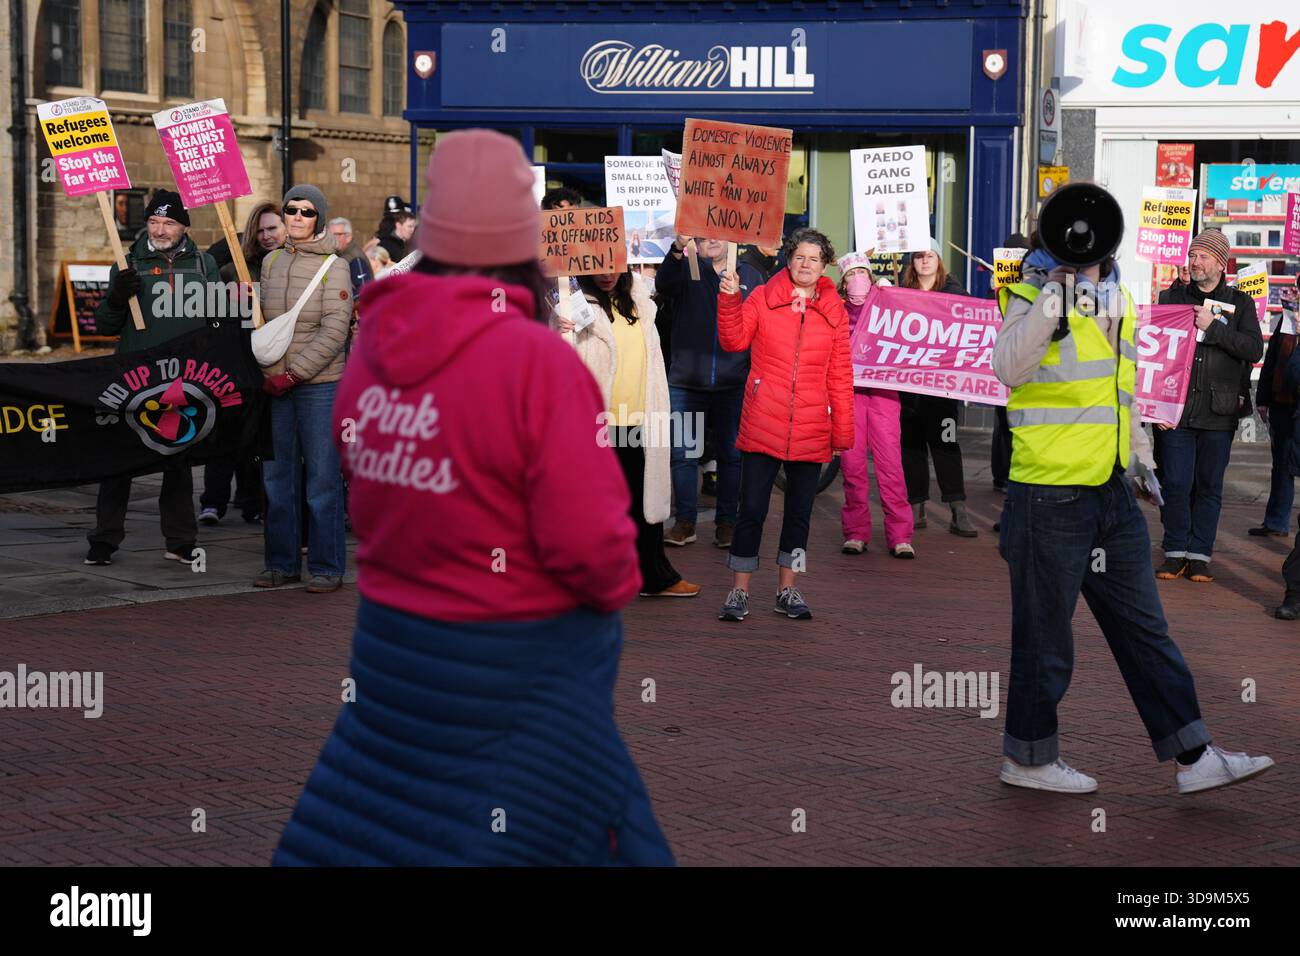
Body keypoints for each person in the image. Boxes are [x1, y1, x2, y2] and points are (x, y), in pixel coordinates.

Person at [273, 129, 673, 866]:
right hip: (518, 680)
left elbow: (368, 506)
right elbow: (596, 554)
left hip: (394, 666)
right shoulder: (534, 363)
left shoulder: (375, 352)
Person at [993, 225, 1275, 795]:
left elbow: (1123, 391)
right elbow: (1009, 367)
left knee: (1145, 628)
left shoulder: (1119, 299)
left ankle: (1194, 756)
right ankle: (1027, 759)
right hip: (1048, 494)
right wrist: (1055, 290)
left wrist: (1140, 456)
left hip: (1111, 491)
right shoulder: (1027, 296)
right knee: (1046, 639)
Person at [715, 228, 854, 621]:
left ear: (825, 265)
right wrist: (729, 297)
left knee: (798, 514)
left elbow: (841, 374)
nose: (806, 264)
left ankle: (788, 589)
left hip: (812, 426)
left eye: (814, 258)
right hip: (763, 421)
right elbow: (733, 340)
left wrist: (842, 432)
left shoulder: (834, 310)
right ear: (788, 260)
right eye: (799, 257)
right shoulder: (762, 296)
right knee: (752, 509)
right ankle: (739, 591)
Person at [84, 191, 220, 567]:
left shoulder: (204, 264)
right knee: (119, 461)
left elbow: (216, 320)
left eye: (169, 223)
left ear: (183, 227)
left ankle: (180, 541)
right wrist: (115, 297)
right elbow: (105, 325)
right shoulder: (126, 263)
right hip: (133, 376)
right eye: (154, 222)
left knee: (176, 459)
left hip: (182, 377)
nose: (160, 229)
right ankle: (103, 540)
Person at [563, 269, 701, 598]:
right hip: (598, 421)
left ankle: (655, 576)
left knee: (645, 502)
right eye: (599, 269)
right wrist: (559, 328)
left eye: (613, 267)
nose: (607, 275)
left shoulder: (640, 302)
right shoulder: (574, 305)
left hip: (640, 417)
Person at [255, 184, 352, 593]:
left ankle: (328, 567)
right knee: (277, 480)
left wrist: (293, 374)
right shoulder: (271, 261)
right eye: (291, 209)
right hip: (273, 385)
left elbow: (334, 330)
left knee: (323, 480)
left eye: (306, 212)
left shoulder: (336, 266)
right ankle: (281, 563)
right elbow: (264, 324)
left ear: (320, 219)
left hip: (318, 386)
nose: (296, 217)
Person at [1153, 229, 1262, 584]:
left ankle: (1199, 555)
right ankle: (1174, 552)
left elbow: (1252, 349)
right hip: (1177, 409)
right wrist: (1155, 407)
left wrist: (1213, 327)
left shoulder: (1240, 303)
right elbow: (1153, 350)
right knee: (1176, 483)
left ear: (1220, 262)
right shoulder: (1171, 298)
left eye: (1201, 256)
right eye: (1191, 255)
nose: (1194, 262)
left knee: (1209, 486)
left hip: (1220, 409)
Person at [655, 236, 763, 549]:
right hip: (687, 382)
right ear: (696, 244)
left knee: (732, 456)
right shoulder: (688, 269)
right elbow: (664, 284)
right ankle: (685, 521)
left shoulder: (751, 275)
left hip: (734, 383)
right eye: (703, 236)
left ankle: (727, 523)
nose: (712, 239)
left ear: (733, 238)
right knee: (684, 455)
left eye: (719, 233)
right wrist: (677, 250)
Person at [199, 200, 286, 527]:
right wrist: (238, 238)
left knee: (258, 437)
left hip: (275, 363)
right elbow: (210, 261)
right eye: (260, 229)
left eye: (272, 229)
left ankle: (253, 502)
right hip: (237, 357)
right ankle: (212, 501)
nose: (266, 236)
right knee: (225, 430)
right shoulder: (237, 264)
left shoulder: (293, 262)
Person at [837, 251, 914, 558]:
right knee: (852, 465)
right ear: (843, 282)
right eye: (850, 275)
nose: (857, 280)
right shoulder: (838, 310)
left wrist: (892, 295)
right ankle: (856, 531)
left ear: (871, 278)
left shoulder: (886, 305)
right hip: (849, 394)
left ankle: (900, 534)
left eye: (862, 274)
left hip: (883, 393)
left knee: (890, 465)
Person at [898, 240, 977, 537]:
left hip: (942, 389)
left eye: (929, 255)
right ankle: (916, 506)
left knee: (946, 446)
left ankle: (958, 510)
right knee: (912, 446)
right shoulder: (900, 293)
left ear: (939, 259)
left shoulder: (955, 293)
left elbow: (972, 320)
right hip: (907, 387)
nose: (924, 260)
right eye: (918, 256)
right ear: (912, 262)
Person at [1251, 275, 1299, 539]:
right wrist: (1263, 398)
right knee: (1281, 465)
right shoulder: (1288, 319)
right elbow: (1272, 359)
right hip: (1282, 405)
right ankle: (1276, 521)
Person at [991, 232, 1030, 494]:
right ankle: (1003, 475)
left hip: (1023, 368)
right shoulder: (998, 290)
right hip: (1004, 365)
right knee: (1004, 425)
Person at [327, 217, 376, 298]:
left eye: (337, 234)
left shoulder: (356, 259)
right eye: (330, 234)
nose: (332, 238)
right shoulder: (337, 254)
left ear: (348, 237)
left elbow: (364, 291)